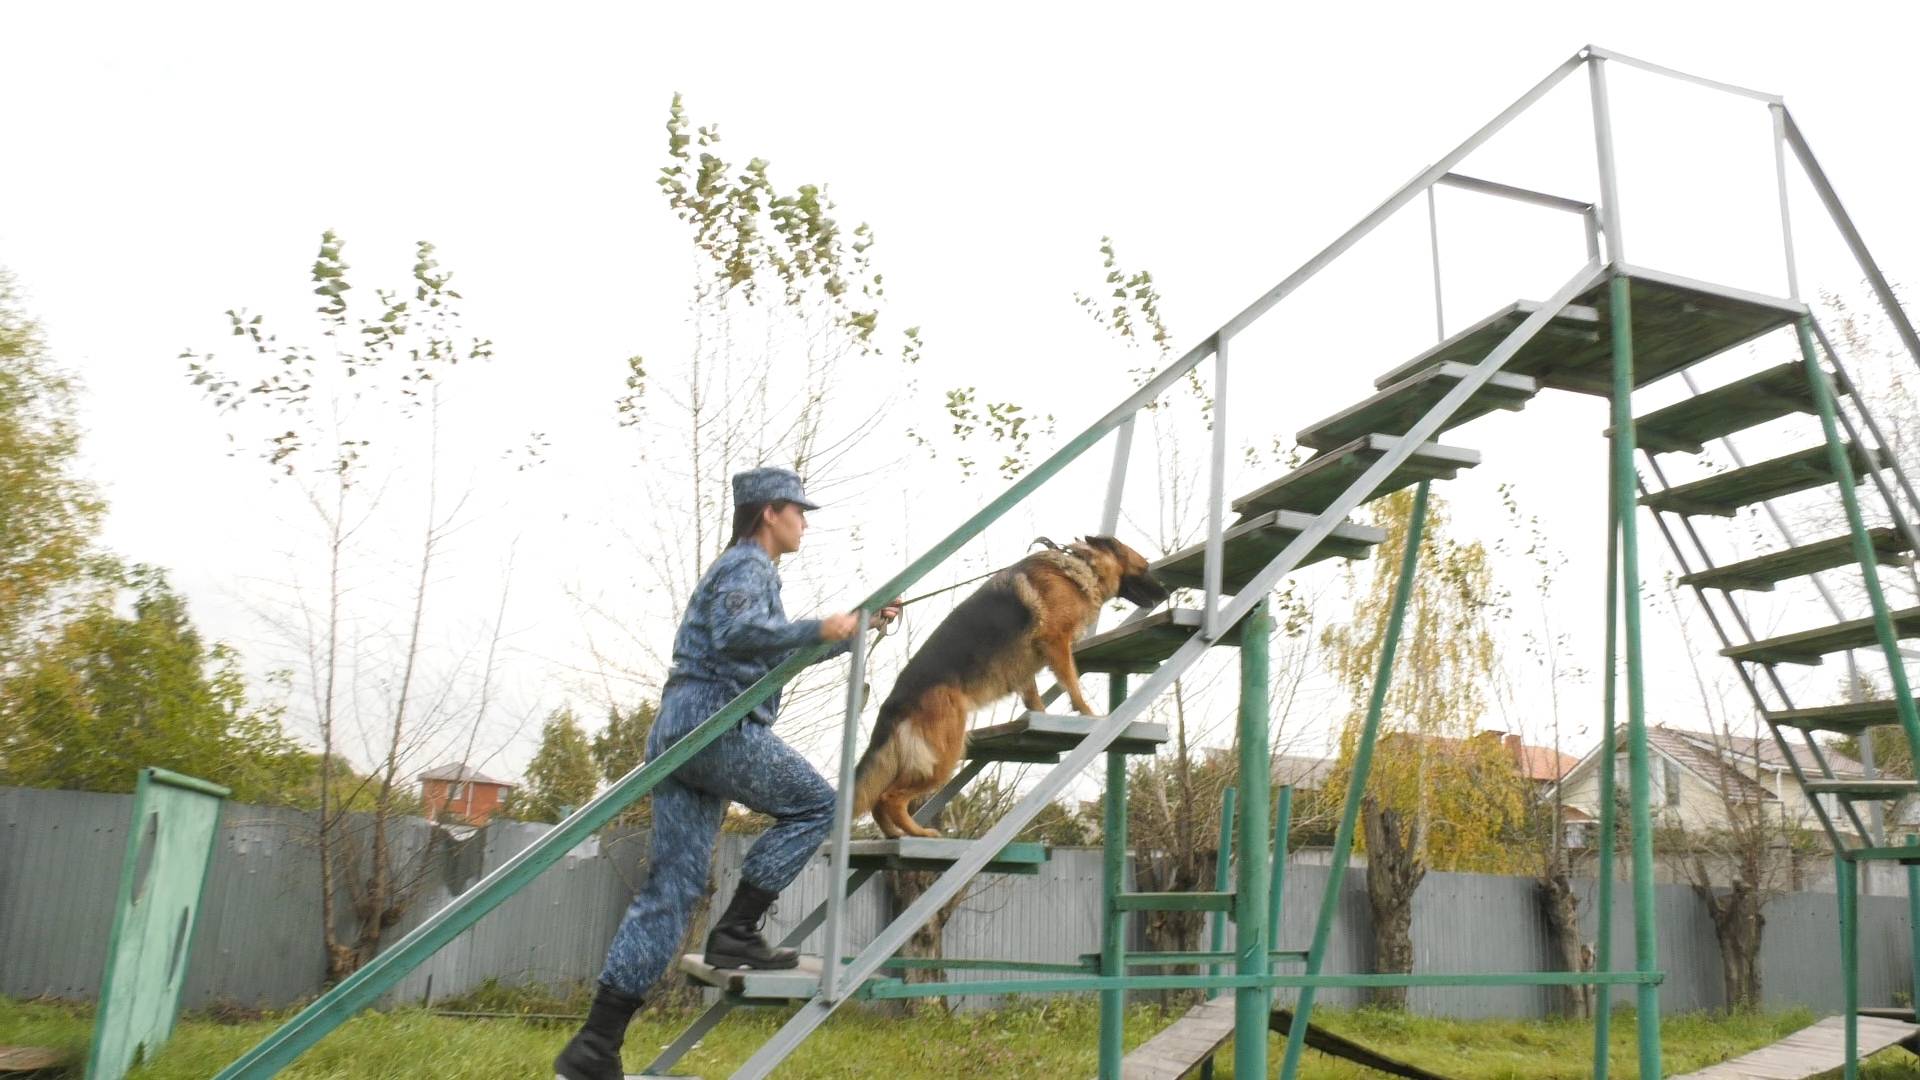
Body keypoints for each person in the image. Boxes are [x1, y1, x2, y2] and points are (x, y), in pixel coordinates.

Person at [554, 466, 900, 1080]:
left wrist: (855, 628)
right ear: (769, 512)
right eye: (799, 510)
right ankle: (737, 931)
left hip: (682, 729)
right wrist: (821, 627)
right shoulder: (748, 565)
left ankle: (594, 1047)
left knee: (672, 892)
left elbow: (765, 649)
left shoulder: (748, 569)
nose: (805, 521)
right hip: (715, 722)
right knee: (819, 805)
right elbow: (739, 634)